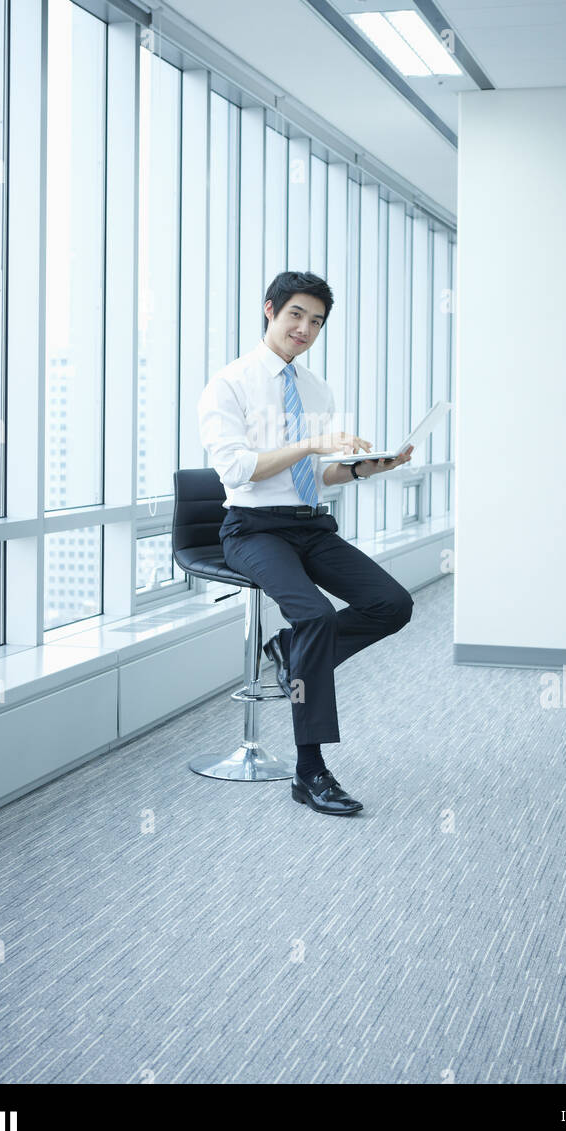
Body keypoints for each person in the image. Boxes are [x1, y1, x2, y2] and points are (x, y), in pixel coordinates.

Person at [197, 270, 415, 817]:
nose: (305, 328)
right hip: (250, 527)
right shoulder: (230, 383)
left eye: (316, 321)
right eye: (296, 314)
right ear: (270, 310)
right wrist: (311, 442)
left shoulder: (316, 388)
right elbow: (239, 469)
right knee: (316, 618)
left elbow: (314, 475)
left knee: (392, 604)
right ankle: (310, 770)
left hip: (309, 525)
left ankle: (290, 654)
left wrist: (368, 468)